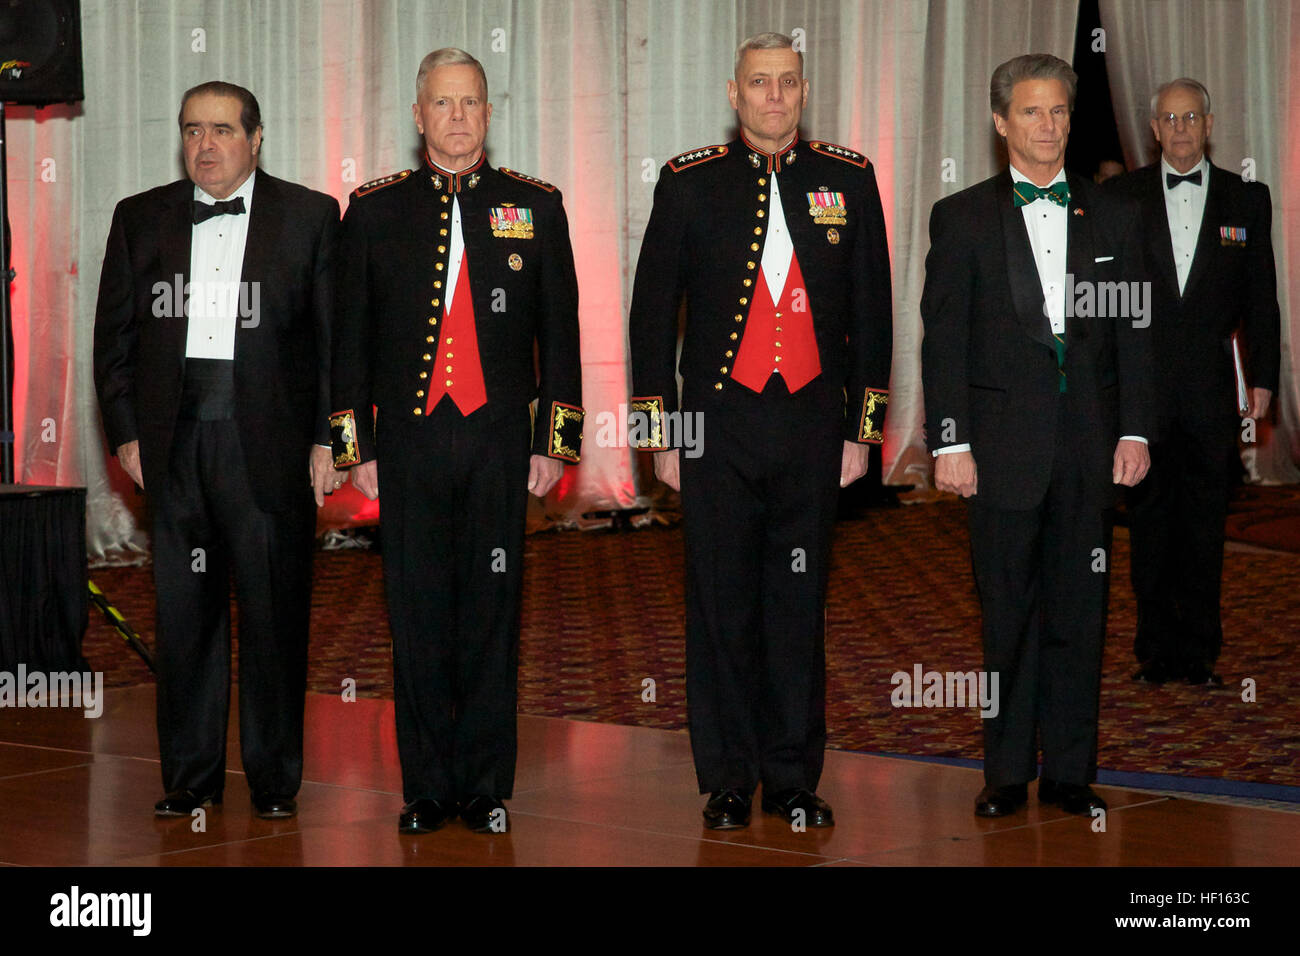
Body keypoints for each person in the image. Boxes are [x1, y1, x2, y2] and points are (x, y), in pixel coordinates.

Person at [628, 32, 893, 829]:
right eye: (759, 83)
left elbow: (874, 314)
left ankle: (791, 777)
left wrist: (863, 431)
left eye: (787, 83)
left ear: (803, 92)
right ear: (734, 94)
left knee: (797, 605)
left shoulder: (848, 178)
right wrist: (658, 437)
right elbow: (648, 318)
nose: (774, 96)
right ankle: (726, 779)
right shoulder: (688, 182)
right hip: (714, 430)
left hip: (814, 429)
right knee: (719, 606)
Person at [329, 48, 583, 835]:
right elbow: (348, 343)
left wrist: (558, 442)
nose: (459, 117)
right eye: (443, 104)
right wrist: (352, 449)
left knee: (492, 615)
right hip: (406, 444)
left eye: (471, 102)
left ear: (489, 112)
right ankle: (427, 788)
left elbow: (562, 335)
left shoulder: (534, 205)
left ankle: (485, 787)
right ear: (418, 116)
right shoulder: (373, 211)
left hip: (501, 443)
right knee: (417, 615)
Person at [94, 81, 342, 819]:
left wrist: (332, 438)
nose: (206, 145)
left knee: (273, 619)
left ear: (256, 139)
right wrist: (127, 435)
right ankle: (190, 779)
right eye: (193, 130)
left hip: (268, 448)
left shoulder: (309, 216)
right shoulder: (141, 218)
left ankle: (273, 781)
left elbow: (334, 344)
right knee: (185, 621)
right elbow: (114, 345)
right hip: (173, 450)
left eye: (223, 130)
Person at [920, 54, 1153, 818]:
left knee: (1082, 615)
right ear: (1000, 122)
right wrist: (949, 443)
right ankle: (1008, 771)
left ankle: (1070, 771)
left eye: (1058, 111)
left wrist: (1135, 430)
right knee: (1007, 616)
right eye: (1031, 112)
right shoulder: (960, 217)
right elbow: (943, 341)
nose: (1048, 126)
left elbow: (1132, 339)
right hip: (998, 454)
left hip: (1090, 449)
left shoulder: (1113, 213)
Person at [1107, 78, 1281, 687]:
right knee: (1149, 525)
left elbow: (1263, 294)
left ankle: (1202, 650)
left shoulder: (1246, 199)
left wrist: (1264, 379)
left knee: (1205, 526)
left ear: (1208, 125)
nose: (1180, 128)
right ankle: (1155, 648)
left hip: (1211, 389)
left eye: (1190, 118)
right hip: (1142, 391)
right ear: (1154, 130)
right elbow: (1105, 300)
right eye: (1168, 119)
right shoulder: (1120, 197)